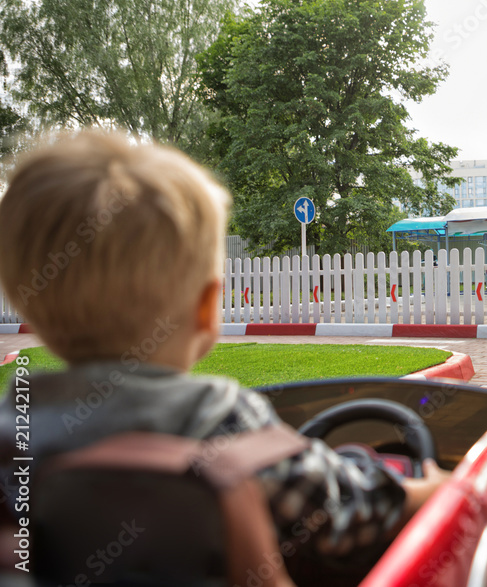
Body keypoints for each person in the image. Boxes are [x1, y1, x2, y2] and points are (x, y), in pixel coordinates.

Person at [0, 130, 447, 575]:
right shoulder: (226, 421)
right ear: (206, 308)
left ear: (29, 310)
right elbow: (348, 510)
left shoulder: (13, 432)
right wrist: (428, 490)